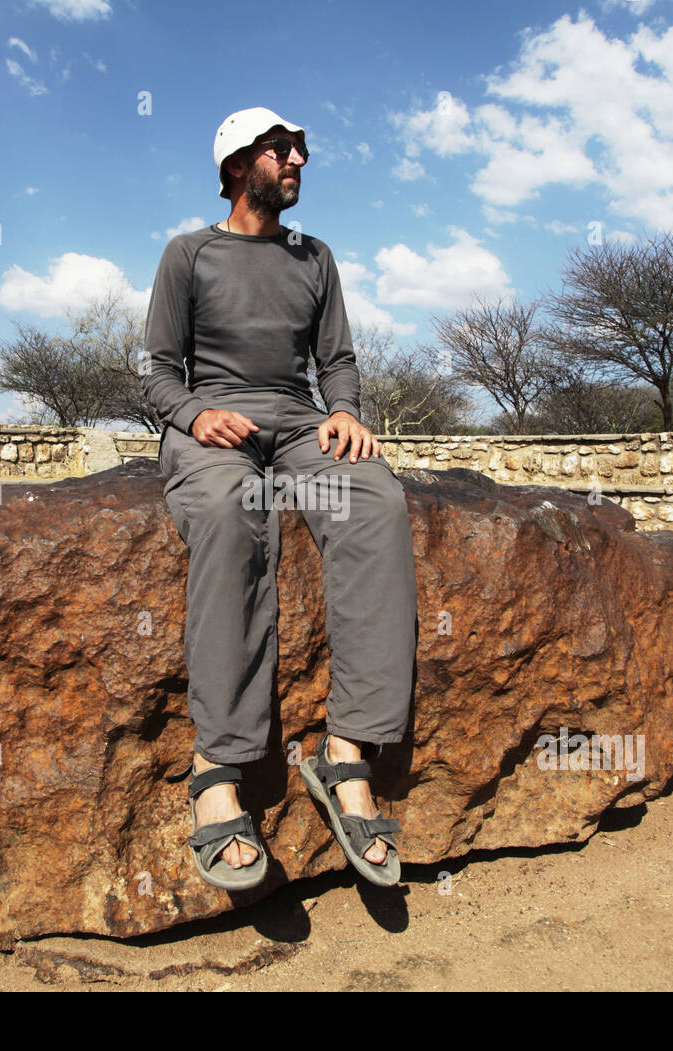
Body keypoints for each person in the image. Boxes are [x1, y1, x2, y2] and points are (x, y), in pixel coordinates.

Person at [140, 106, 418, 889]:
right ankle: (217, 769)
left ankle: (346, 754)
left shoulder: (315, 257)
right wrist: (197, 414)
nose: (297, 157)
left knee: (374, 502)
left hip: (301, 431)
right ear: (236, 166)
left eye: (299, 148)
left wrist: (345, 414)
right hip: (212, 430)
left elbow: (338, 360)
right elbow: (159, 371)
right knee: (234, 513)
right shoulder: (187, 254)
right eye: (280, 148)